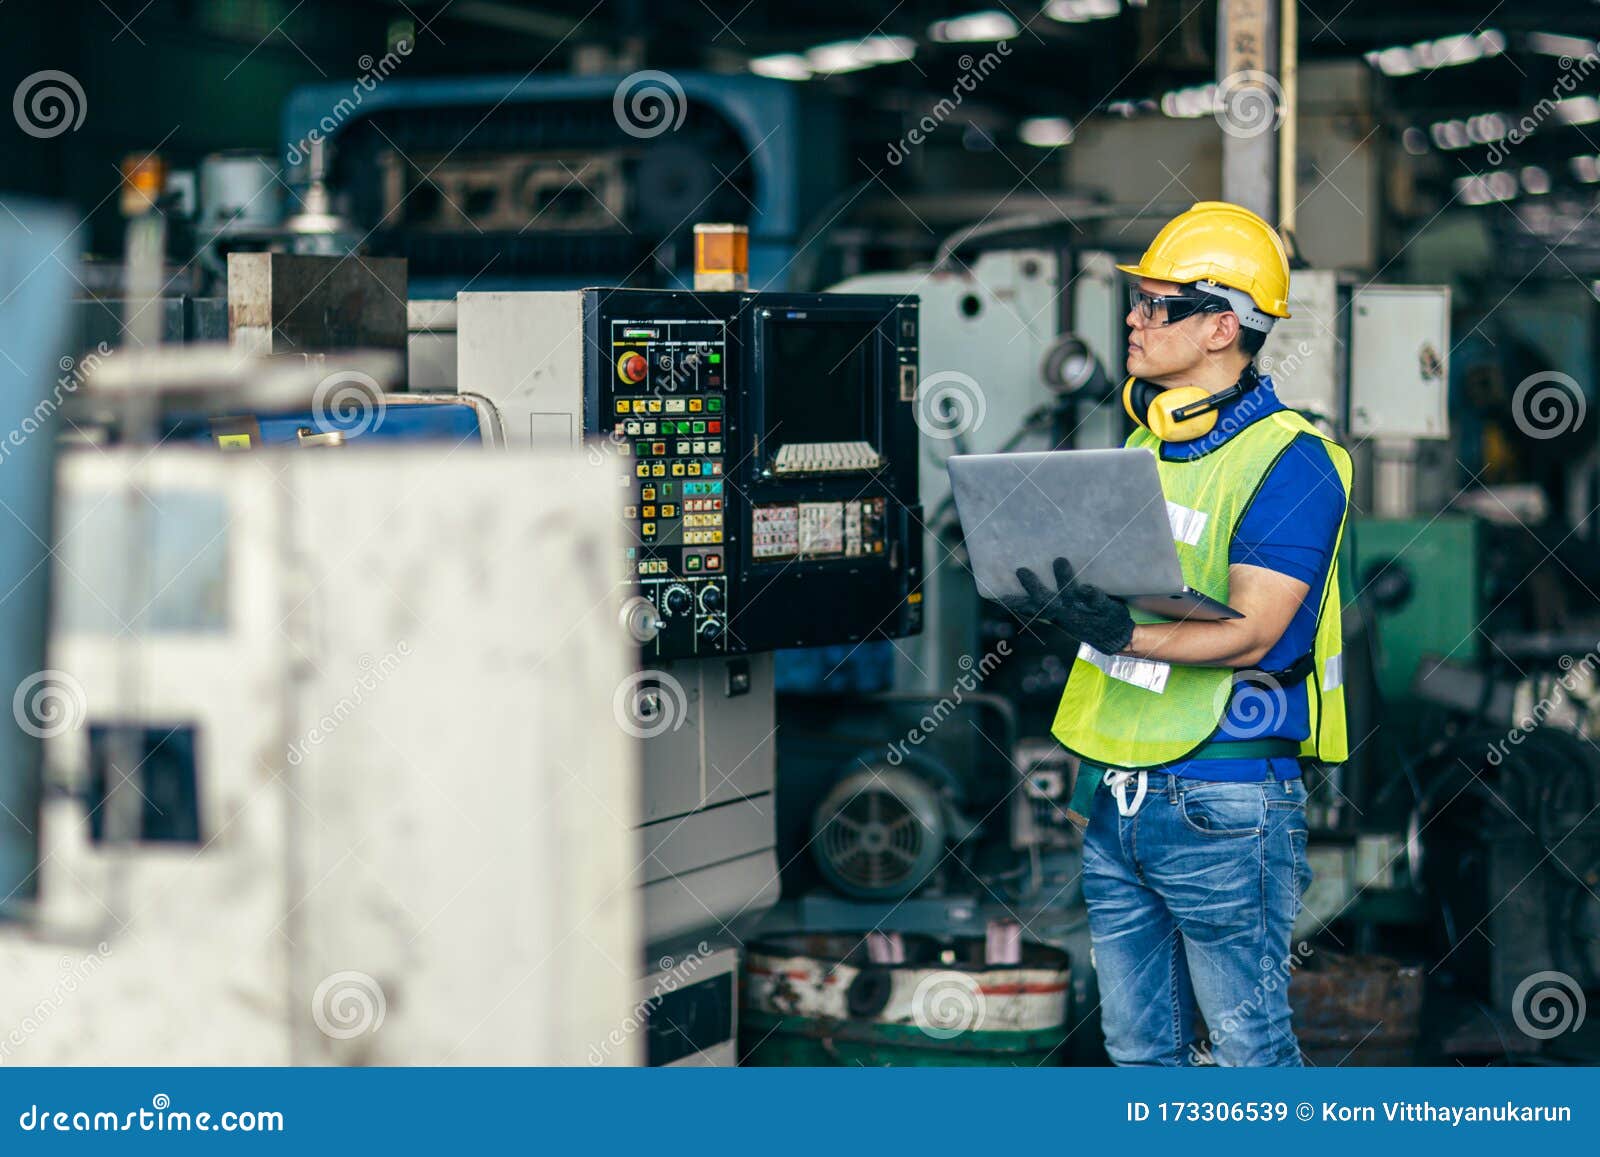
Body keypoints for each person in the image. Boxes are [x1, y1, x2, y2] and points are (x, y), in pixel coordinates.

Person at [1009, 201, 1351, 1067]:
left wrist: (1118, 635)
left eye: (1156, 303)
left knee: (1245, 1053)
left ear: (1220, 327)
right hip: (1121, 797)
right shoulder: (1147, 447)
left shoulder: (1293, 460)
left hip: (1226, 800)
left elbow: (1253, 631)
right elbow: (1138, 604)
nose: (1132, 316)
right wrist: (1070, 614)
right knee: (1137, 1052)